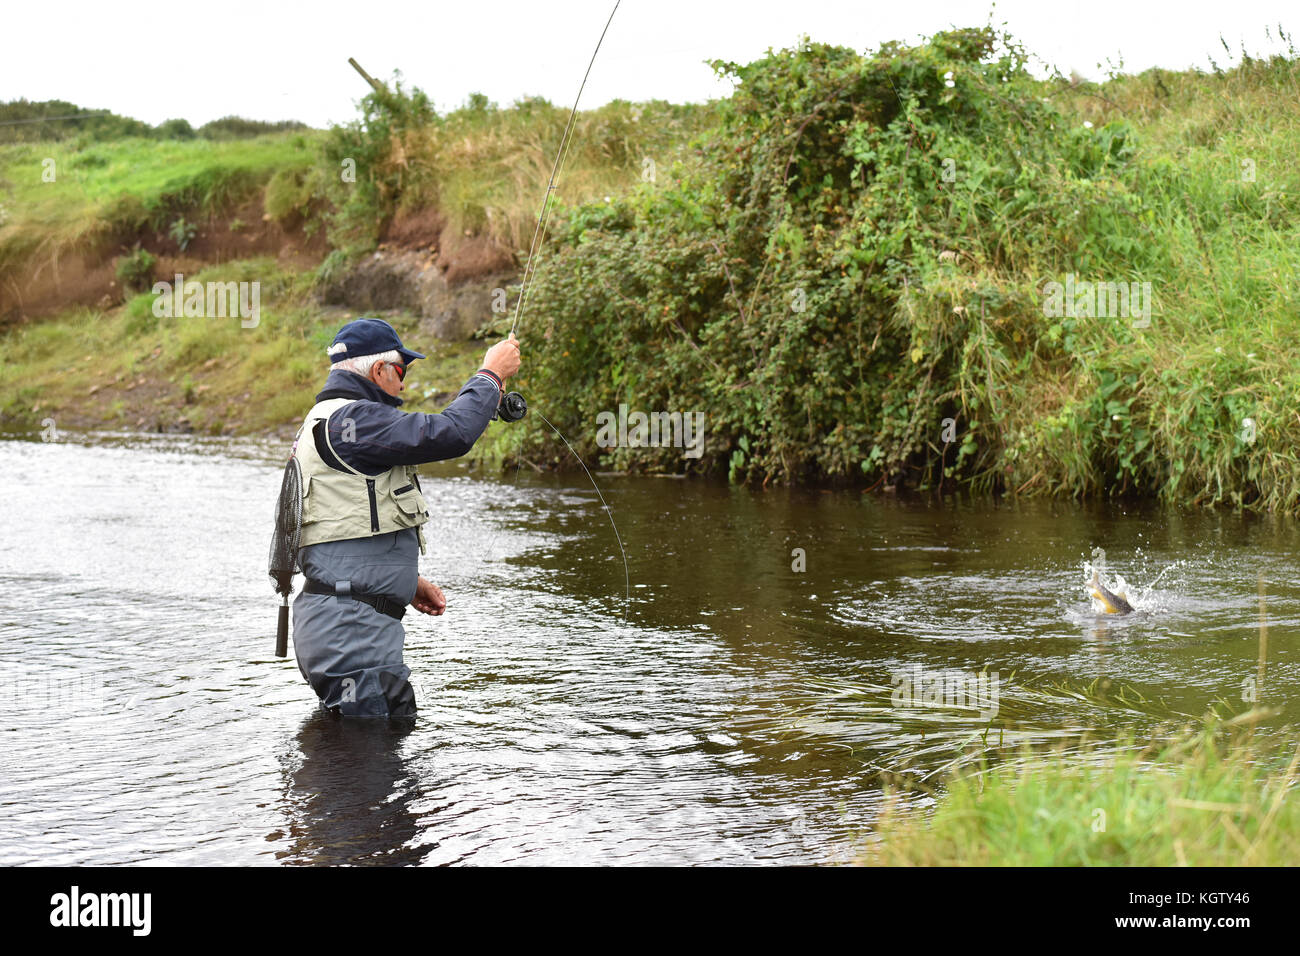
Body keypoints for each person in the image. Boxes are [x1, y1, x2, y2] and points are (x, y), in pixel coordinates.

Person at [289, 316, 521, 717]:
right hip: (353, 639)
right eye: (401, 370)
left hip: (341, 629)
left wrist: (404, 582)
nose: (403, 384)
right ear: (378, 370)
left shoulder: (328, 419)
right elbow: (450, 433)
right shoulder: (353, 420)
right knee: (369, 765)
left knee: (353, 760)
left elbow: (343, 519)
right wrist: (491, 375)